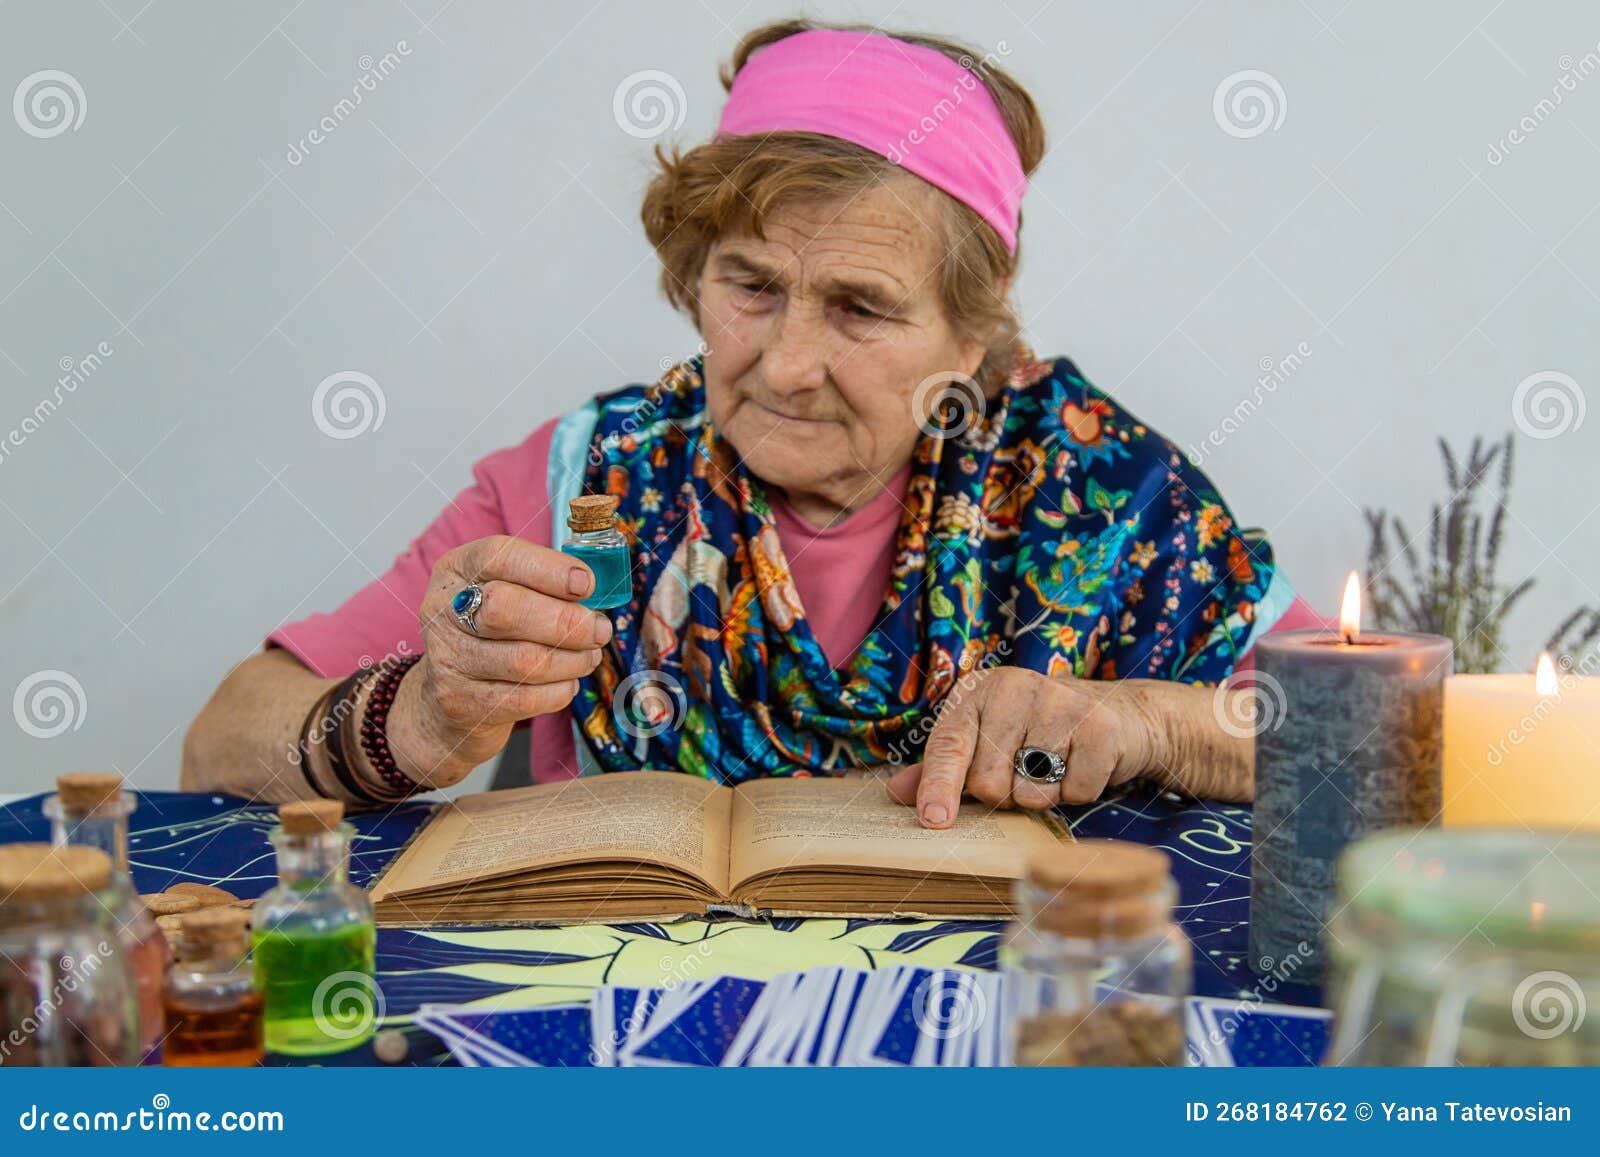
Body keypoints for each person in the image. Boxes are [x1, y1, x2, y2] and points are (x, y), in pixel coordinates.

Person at [183, 20, 1317, 827]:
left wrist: (1154, 723)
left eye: (861, 307)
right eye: (751, 286)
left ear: (969, 339)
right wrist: (413, 719)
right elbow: (226, 733)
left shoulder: (1105, 492)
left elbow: (1367, 746)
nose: (784, 365)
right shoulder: (590, 481)